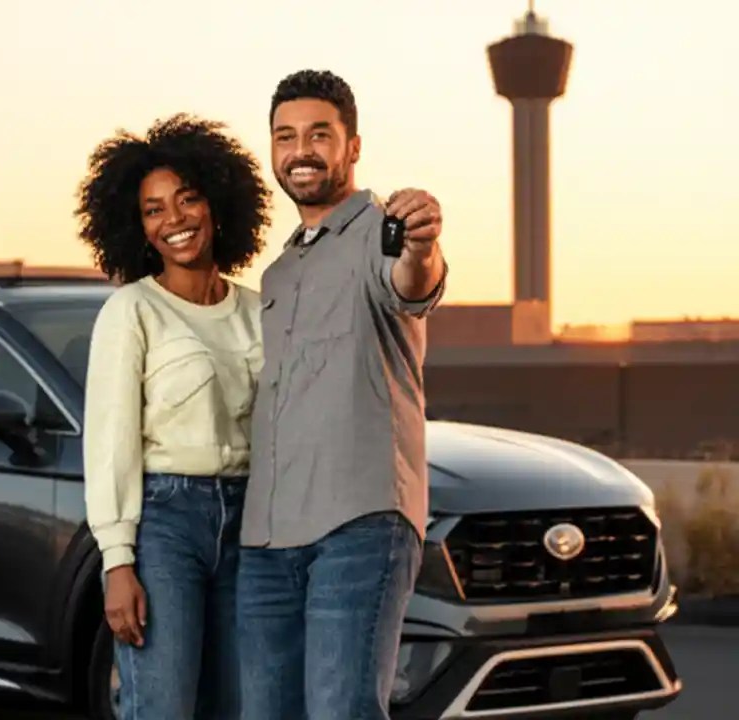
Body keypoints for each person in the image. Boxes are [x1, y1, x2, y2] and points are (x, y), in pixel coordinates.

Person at [237, 69, 450, 719]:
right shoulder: (278, 271)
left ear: (353, 147)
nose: (300, 150)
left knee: (342, 711)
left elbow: (413, 283)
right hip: (267, 540)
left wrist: (423, 241)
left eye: (319, 134)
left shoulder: (380, 233)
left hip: (358, 525)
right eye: (285, 136)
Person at [76, 113, 271, 719]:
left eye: (186, 200)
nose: (175, 221)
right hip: (166, 524)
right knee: (161, 706)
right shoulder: (132, 311)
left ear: (217, 203)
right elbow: (110, 442)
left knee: (237, 708)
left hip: (253, 526)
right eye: (153, 210)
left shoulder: (260, 309)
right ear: (137, 228)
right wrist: (117, 563)